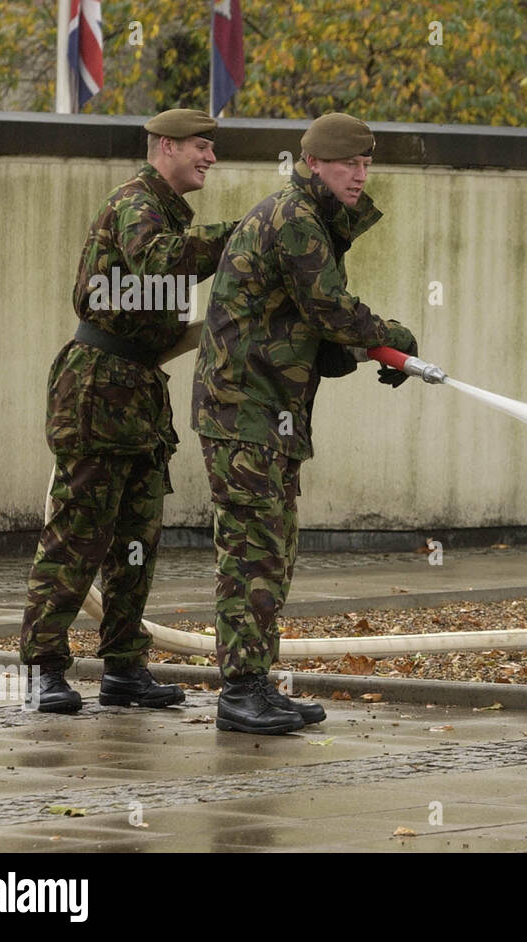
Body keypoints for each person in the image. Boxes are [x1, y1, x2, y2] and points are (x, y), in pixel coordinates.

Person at [192, 112, 419, 734]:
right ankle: (240, 694)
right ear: (314, 163)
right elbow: (329, 308)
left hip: (269, 414)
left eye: (368, 163)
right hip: (245, 412)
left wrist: (364, 352)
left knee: (273, 549)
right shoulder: (294, 218)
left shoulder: (308, 218)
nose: (360, 175)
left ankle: (256, 685)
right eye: (349, 163)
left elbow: (304, 331)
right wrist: (389, 337)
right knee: (251, 553)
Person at [21, 109, 239, 713]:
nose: (210, 158)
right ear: (165, 147)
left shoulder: (167, 210)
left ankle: (123, 666)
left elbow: (156, 307)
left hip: (139, 391)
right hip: (96, 391)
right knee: (76, 535)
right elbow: (160, 262)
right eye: (201, 146)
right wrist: (240, 237)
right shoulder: (136, 204)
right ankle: (43, 668)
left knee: (136, 540)